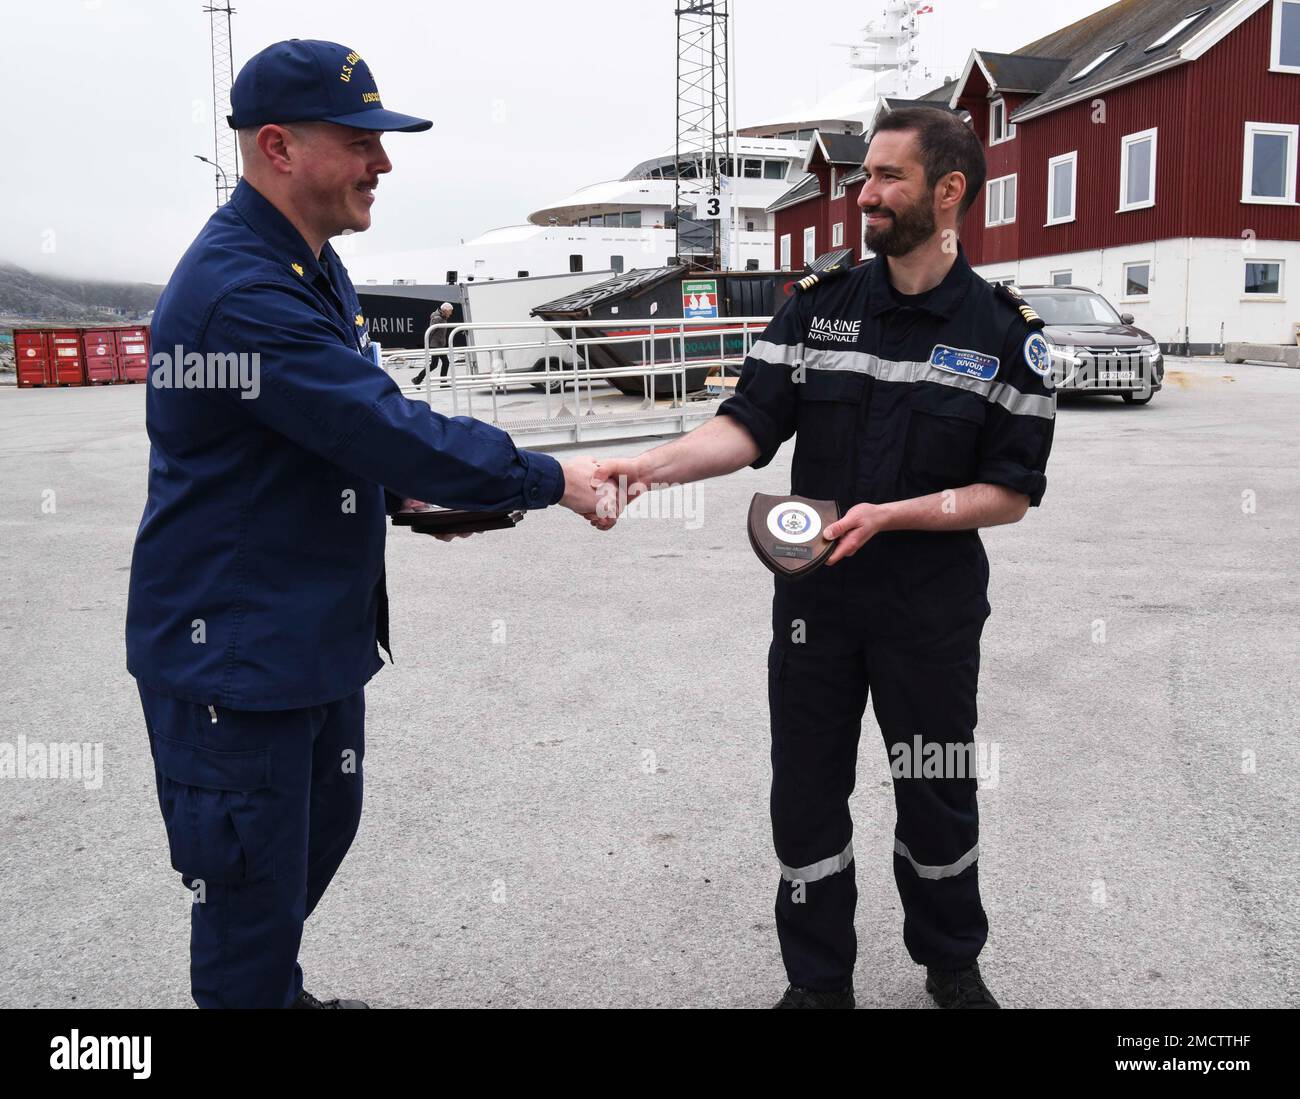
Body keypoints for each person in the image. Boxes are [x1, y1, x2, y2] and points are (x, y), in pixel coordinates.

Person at [125, 39, 604, 1009]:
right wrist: (554, 476)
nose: (383, 164)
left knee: (309, 846)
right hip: (236, 658)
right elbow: (381, 424)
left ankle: (274, 993)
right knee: (250, 891)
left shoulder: (310, 268)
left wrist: (407, 499)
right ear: (277, 147)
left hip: (307, 644)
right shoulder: (242, 295)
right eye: (360, 142)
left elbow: (327, 436)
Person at [592, 107, 1055, 1009]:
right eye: (863, 177)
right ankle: (817, 980)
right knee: (805, 793)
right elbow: (746, 424)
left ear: (949, 191)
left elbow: (1011, 492)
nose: (864, 196)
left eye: (887, 177)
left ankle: (952, 961)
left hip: (930, 609)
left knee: (936, 789)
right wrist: (645, 465)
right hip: (816, 606)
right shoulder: (821, 302)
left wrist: (896, 515)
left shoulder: (1005, 333)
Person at [411, 301, 454, 387]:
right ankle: (417, 379)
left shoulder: (443, 316)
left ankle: (443, 382)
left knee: (445, 362)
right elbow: (431, 331)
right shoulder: (437, 318)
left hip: (440, 344)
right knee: (434, 364)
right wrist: (427, 344)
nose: (451, 313)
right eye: (450, 311)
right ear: (445, 310)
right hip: (435, 345)